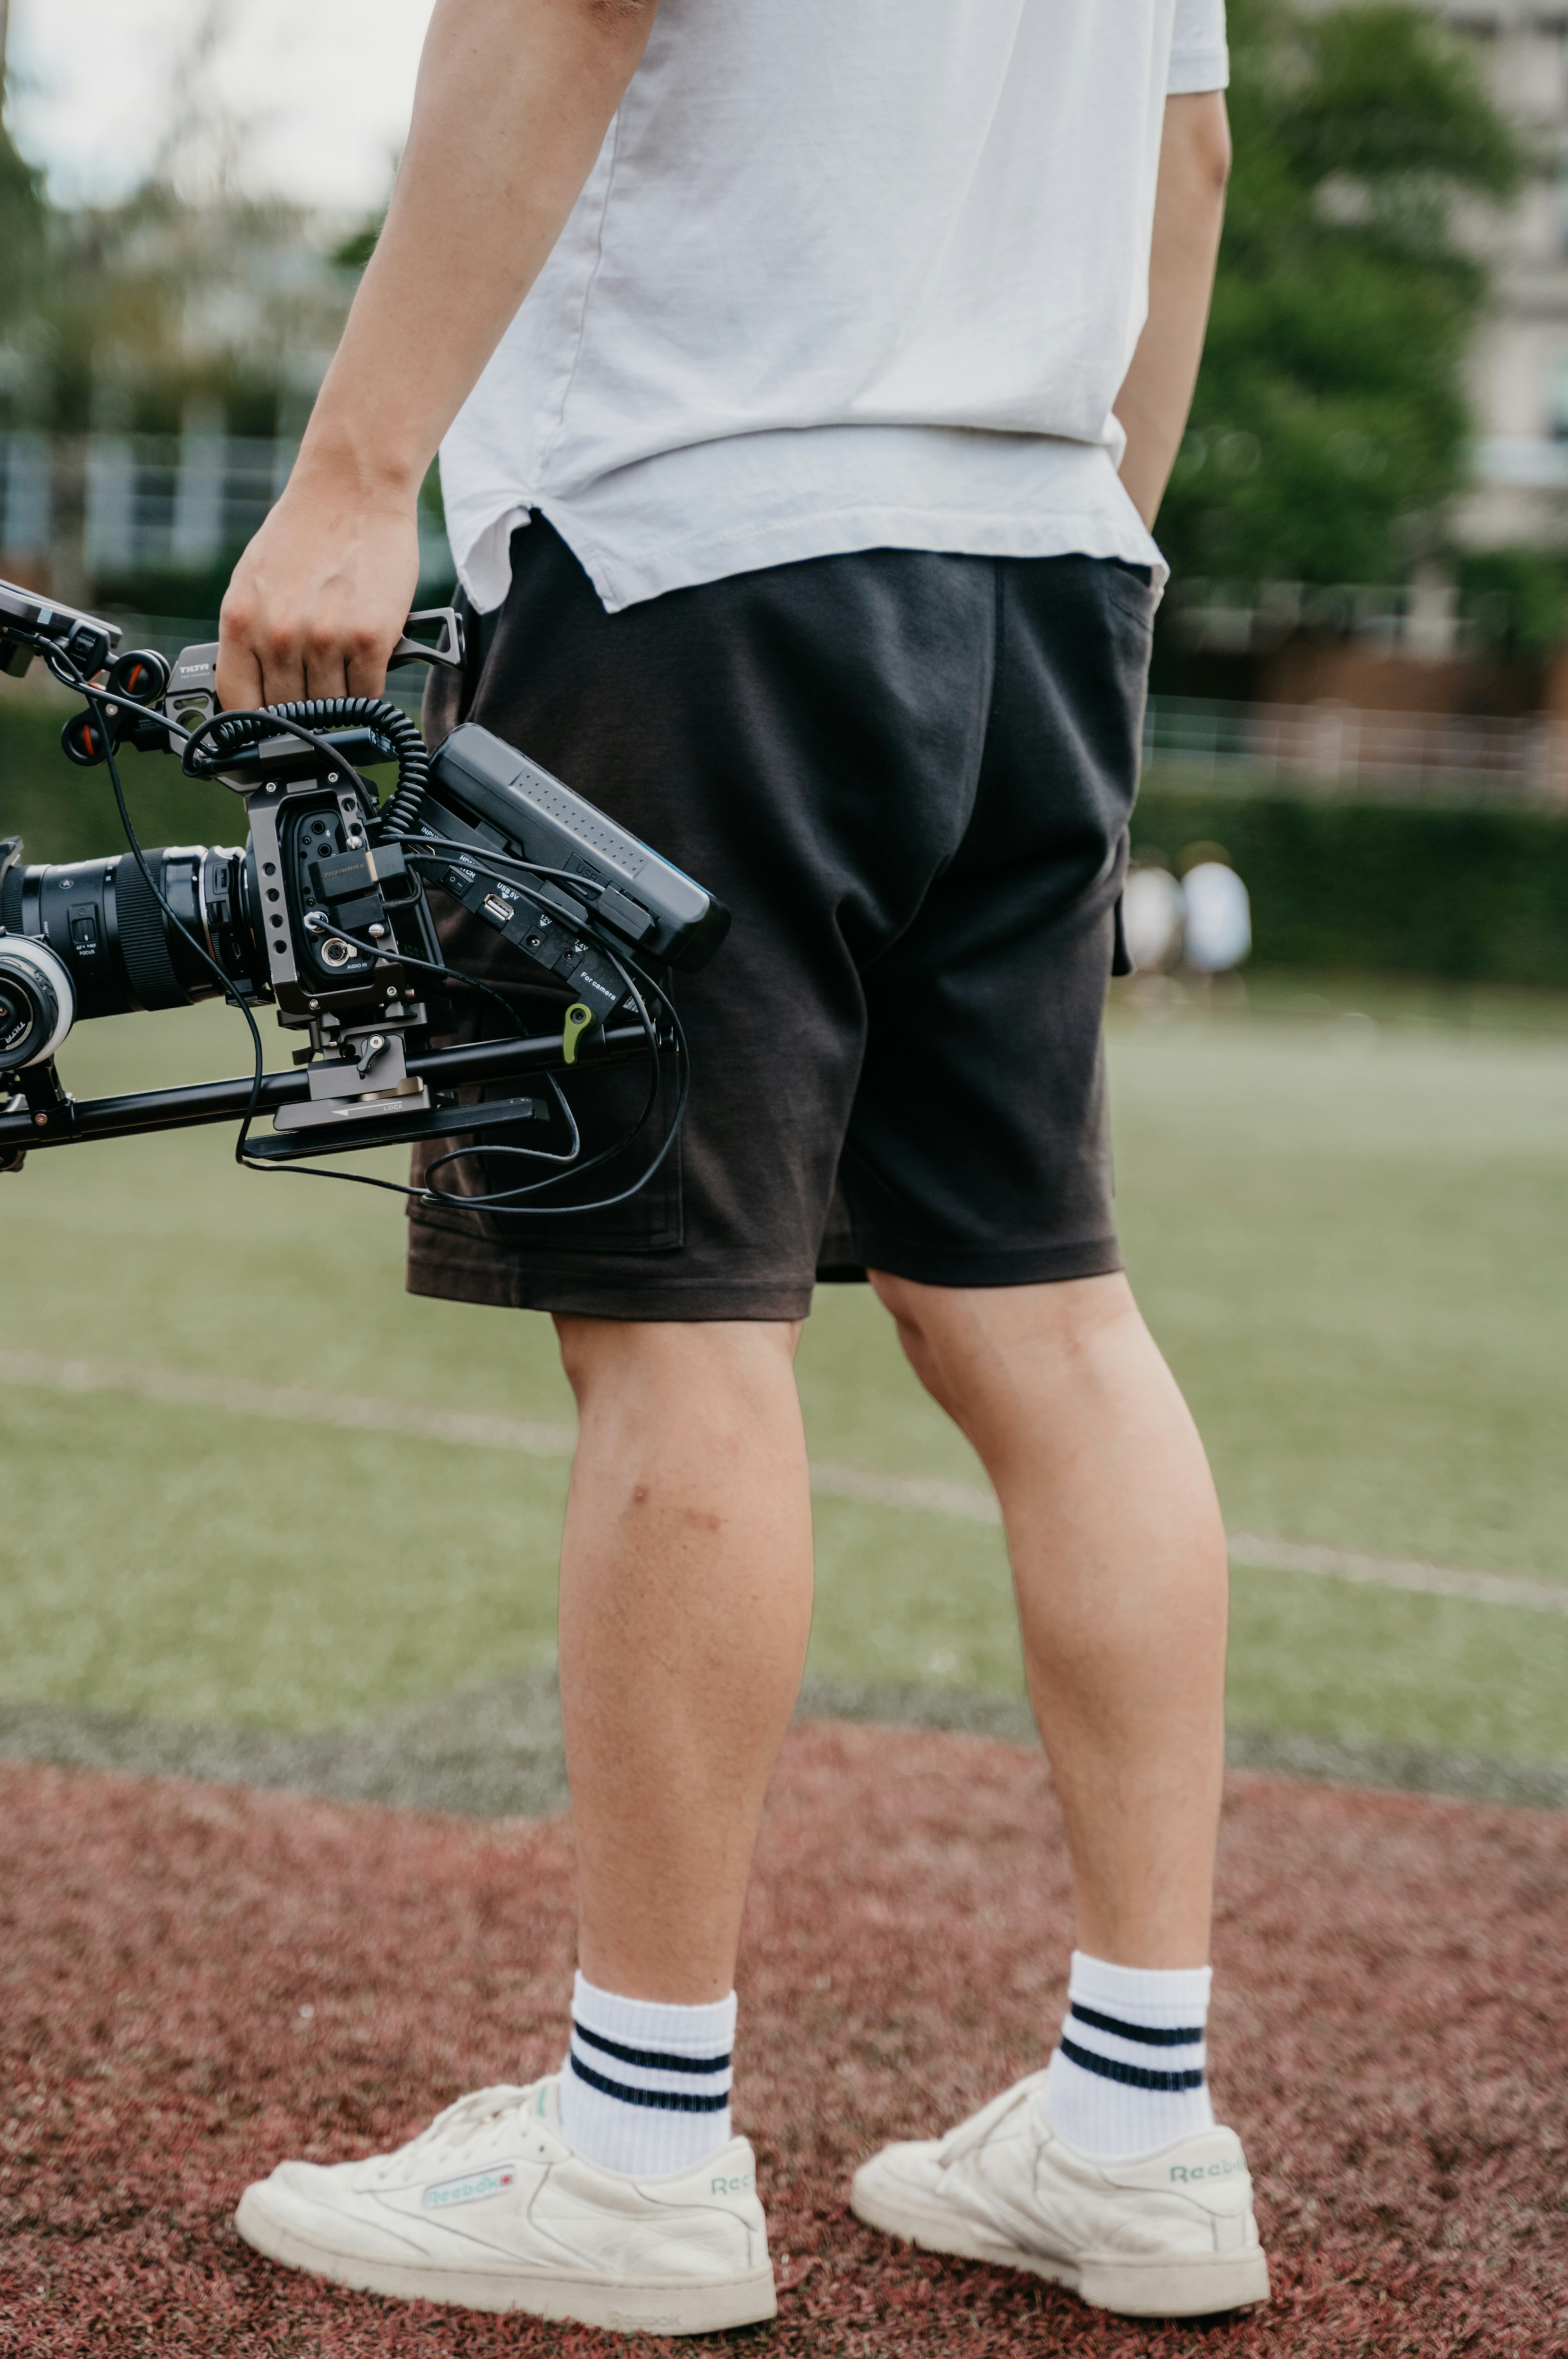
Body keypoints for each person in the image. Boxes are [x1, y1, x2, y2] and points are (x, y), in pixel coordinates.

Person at [224, 0, 1261, 2335]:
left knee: (676, 1331)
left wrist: (357, 464)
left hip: (700, 536)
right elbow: (1183, 164)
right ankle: (1140, 2121)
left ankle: (638, 2139)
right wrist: (1090, 539)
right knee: (1055, 1324)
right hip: (1045, 558)